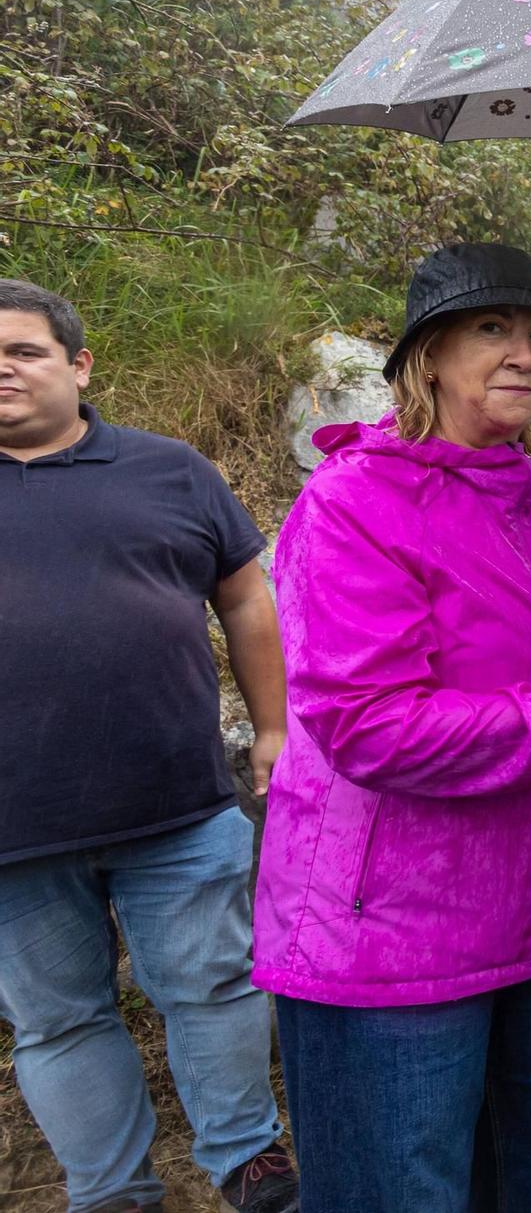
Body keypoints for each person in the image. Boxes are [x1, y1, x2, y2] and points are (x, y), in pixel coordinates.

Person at [254, 244, 531, 1212]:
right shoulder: (349, 506)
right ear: (427, 353)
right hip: (386, 941)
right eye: (493, 328)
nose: (526, 354)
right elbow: (373, 728)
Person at [0, 279, 300, 1213]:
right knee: (54, 1021)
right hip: (11, 828)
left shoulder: (172, 470)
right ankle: (114, 1191)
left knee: (212, 986)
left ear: (79, 364)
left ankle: (248, 1157)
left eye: (24, 351)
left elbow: (247, 598)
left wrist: (275, 727)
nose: (2, 370)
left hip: (178, 803)